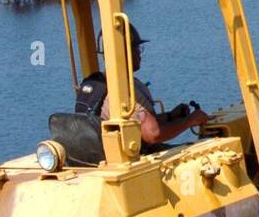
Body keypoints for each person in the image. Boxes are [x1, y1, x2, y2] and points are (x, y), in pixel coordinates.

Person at [74, 23, 210, 146]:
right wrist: (191, 121)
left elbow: (139, 122)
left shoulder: (95, 83)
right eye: (137, 48)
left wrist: (171, 116)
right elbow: (152, 134)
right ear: (125, 52)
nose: (140, 53)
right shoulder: (123, 89)